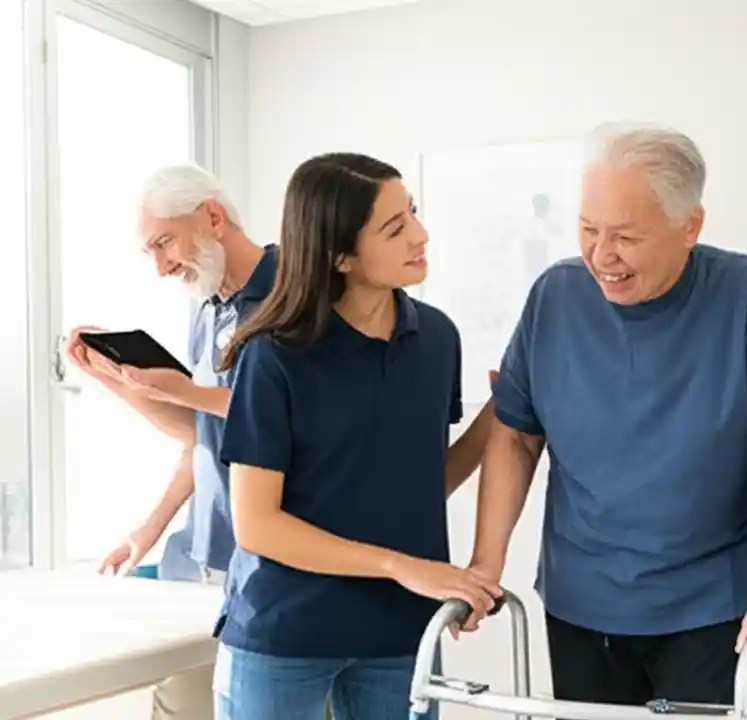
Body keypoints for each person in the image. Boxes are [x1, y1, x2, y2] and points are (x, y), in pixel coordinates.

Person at [463, 123, 747, 719]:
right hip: (581, 607)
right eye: (587, 229)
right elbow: (517, 437)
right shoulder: (554, 297)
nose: (602, 255)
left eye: (626, 236)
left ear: (690, 227)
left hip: (714, 612)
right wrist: (486, 563)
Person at [212, 152, 500, 720]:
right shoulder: (274, 357)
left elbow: (420, 481)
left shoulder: (437, 338)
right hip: (284, 632)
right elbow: (257, 524)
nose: (420, 234)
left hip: (399, 635)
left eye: (412, 213)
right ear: (338, 254)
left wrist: (500, 412)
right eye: (395, 228)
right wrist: (401, 565)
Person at [63, 164, 277, 720]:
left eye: (164, 243)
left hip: (275, 570)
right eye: (149, 252)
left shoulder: (292, 296)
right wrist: (115, 378)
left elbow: (301, 418)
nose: (161, 267)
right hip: (207, 565)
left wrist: (185, 390)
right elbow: (200, 435)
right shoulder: (207, 310)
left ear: (212, 215)